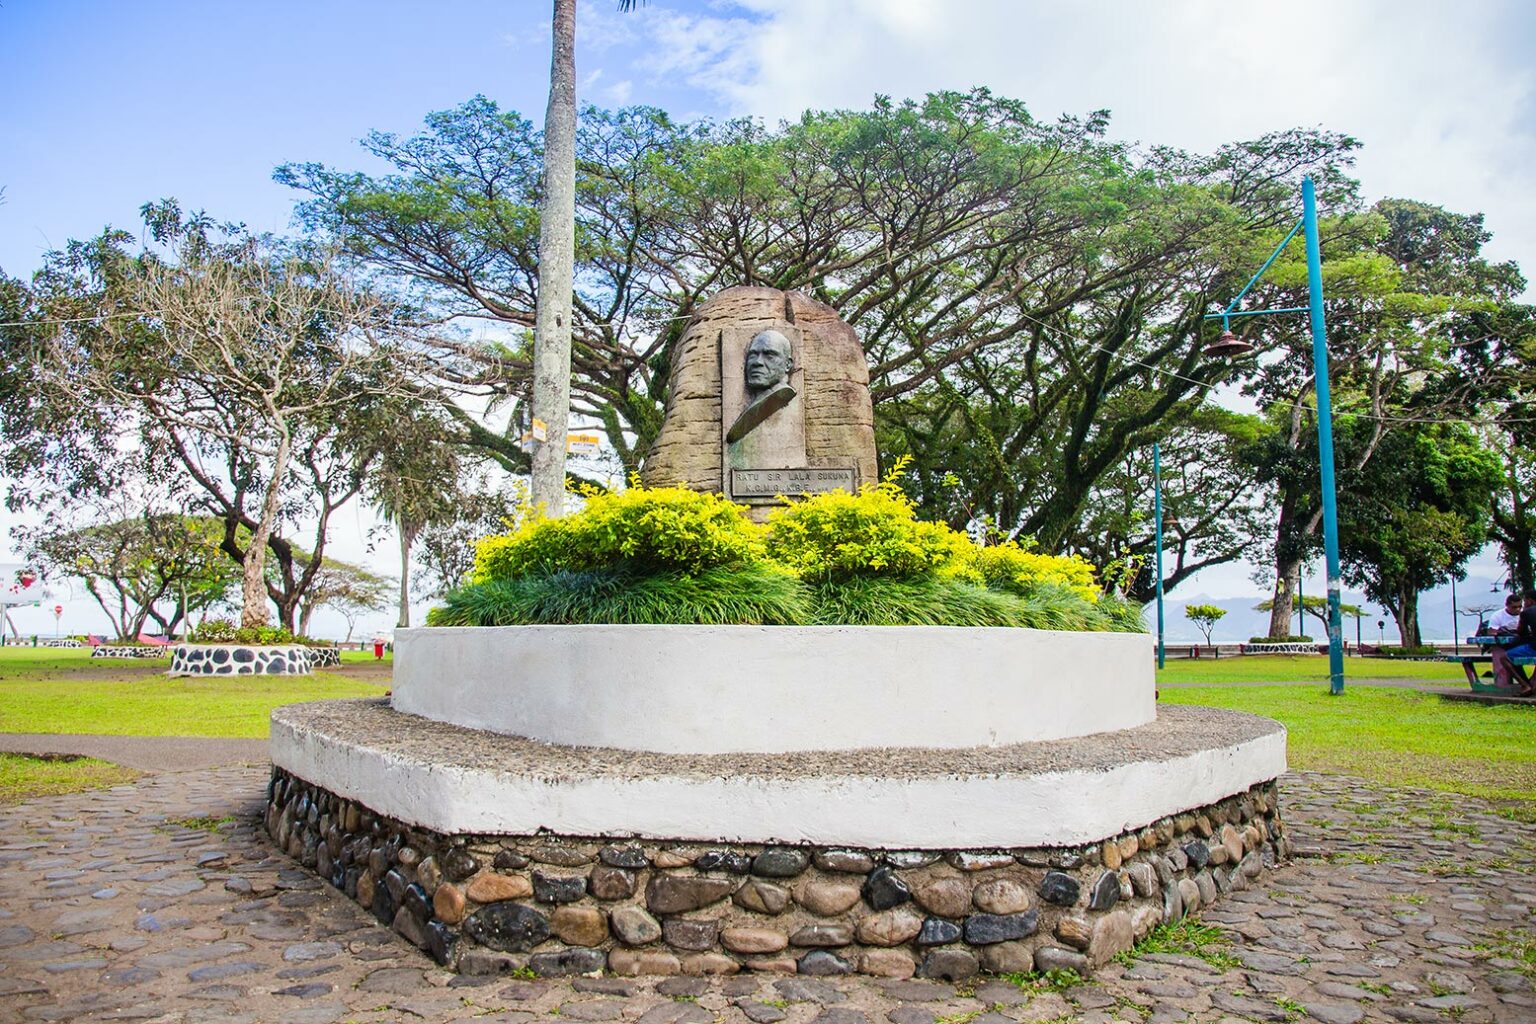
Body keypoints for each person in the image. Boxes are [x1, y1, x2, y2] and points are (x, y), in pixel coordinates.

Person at [726, 329, 797, 443]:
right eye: (753, 355)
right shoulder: (753, 405)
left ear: (788, 365)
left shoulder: (782, 395)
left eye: (769, 355)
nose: (757, 362)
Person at [1495, 591, 1536, 696]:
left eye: (1525, 601)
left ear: (1530, 600)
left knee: (1505, 658)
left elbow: (1521, 633)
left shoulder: (1526, 612)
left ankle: (1525, 685)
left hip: (1534, 647)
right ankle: (1532, 683)